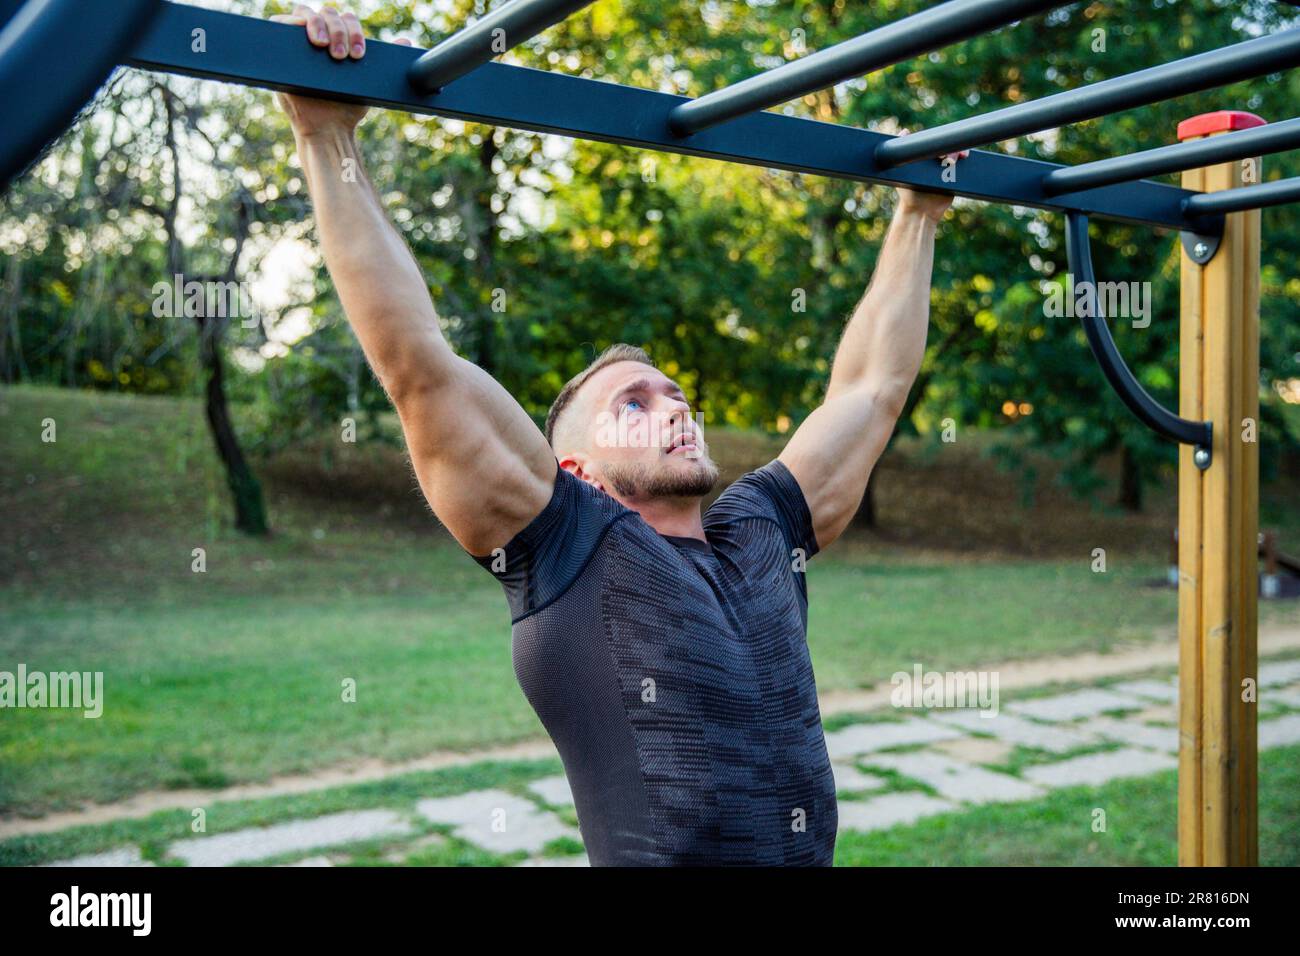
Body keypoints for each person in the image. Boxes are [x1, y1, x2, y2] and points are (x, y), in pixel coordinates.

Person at [272, 5, 963, 865]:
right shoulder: (566, 543)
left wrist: (920, 213)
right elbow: (417, 362)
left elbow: (873, 387)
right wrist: (326, 133)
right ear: (577, 469)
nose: (674, 406)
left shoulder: (762, 528)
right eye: (633, 403)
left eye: (674, 392)